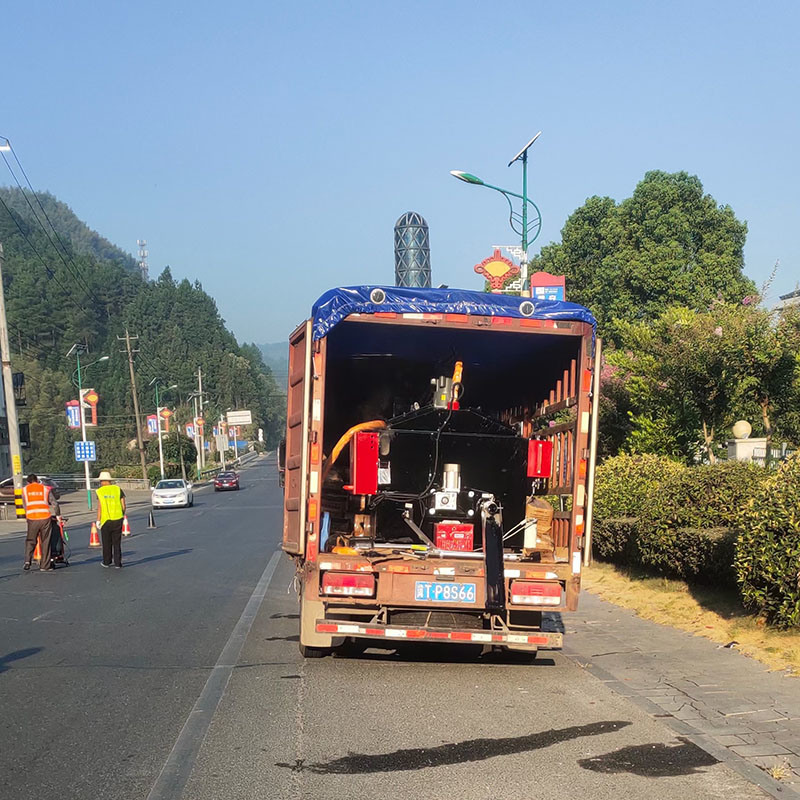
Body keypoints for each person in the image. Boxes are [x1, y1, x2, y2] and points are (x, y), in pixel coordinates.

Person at [22, 474, 60, 572]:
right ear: (37, 480)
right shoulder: (45, 489)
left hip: (32, 518)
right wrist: (58, 515)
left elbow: (25, 505)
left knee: (31, 540)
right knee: (45, 541)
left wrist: (28, 516)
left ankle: (27, 561)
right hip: (45, 518)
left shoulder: (25, 490)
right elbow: (54, 503)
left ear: (28, 482)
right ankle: (45, 566)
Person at [95, 471, 126, 569]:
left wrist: (98, 520)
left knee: (106, 542)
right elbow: (123, 505)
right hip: (118, 518)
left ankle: (107, 562)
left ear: (102, 481)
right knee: (117, 542)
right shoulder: (117, 489)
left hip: (106, 520)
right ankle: (118, 563)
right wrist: (122, 514)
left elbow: (100, 507)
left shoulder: (100, 491)